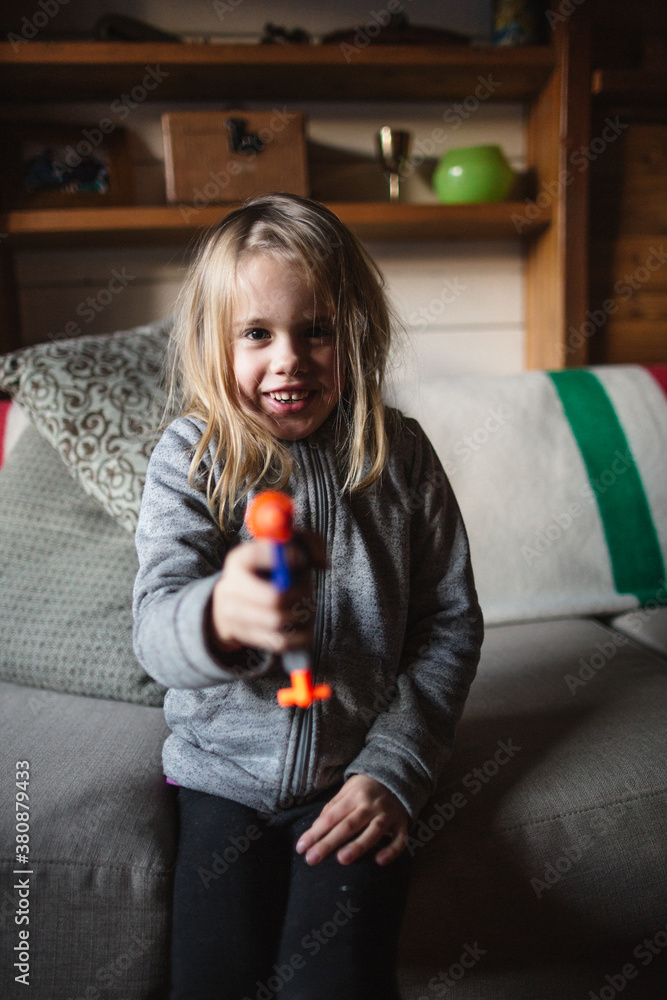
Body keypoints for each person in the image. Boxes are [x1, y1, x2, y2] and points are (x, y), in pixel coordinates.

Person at [132, 192, 484, 1000]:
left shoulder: (402, 457)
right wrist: (218, 615)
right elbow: (154, 629)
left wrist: (394, 768)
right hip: (220, 779)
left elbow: (447, 628)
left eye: (314, 330)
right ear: (215, 345)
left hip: (351, 779)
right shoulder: (192, 457)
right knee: (212, 979)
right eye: (256, 334)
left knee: (335, 981)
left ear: (354, 333)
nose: (286, 358)